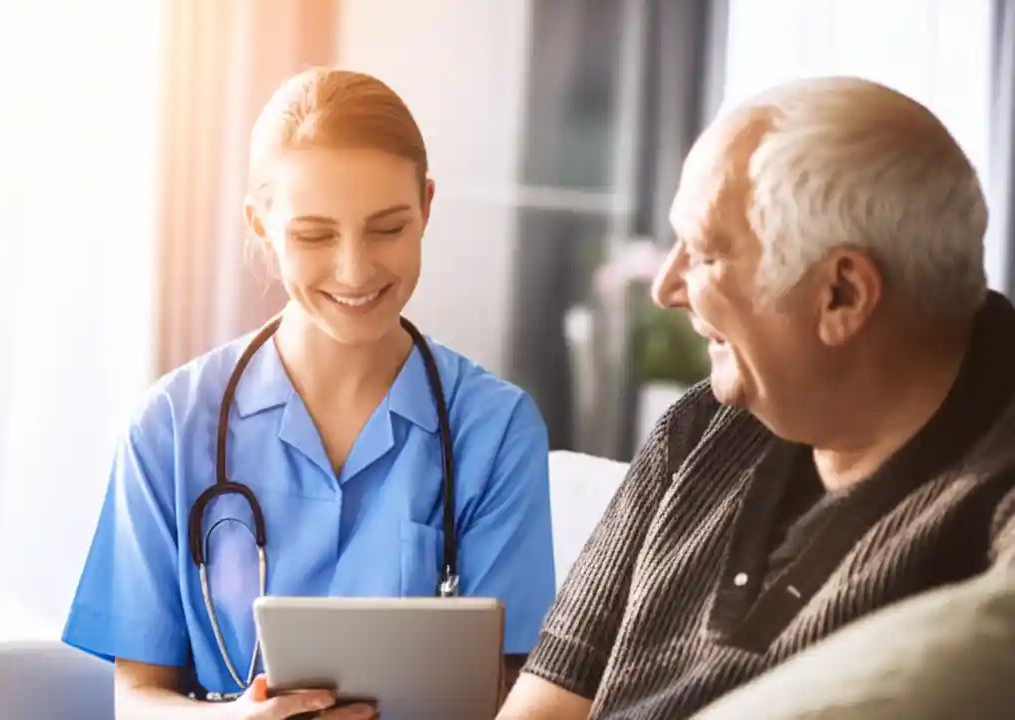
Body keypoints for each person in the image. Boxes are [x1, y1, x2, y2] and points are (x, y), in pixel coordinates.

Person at [498, 76, 1015, 719]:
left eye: (707, 254)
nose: (665, 287)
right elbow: (548, 705)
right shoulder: (705, 424)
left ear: (842, 295)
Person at [62, 67, 556, 719]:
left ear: (427, 208)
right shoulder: (171, 426)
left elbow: (517, 698)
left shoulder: (494, 431)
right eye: (315, 235)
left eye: (387, 228)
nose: (355, 270)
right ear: (262, 225)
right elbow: (136, 699)